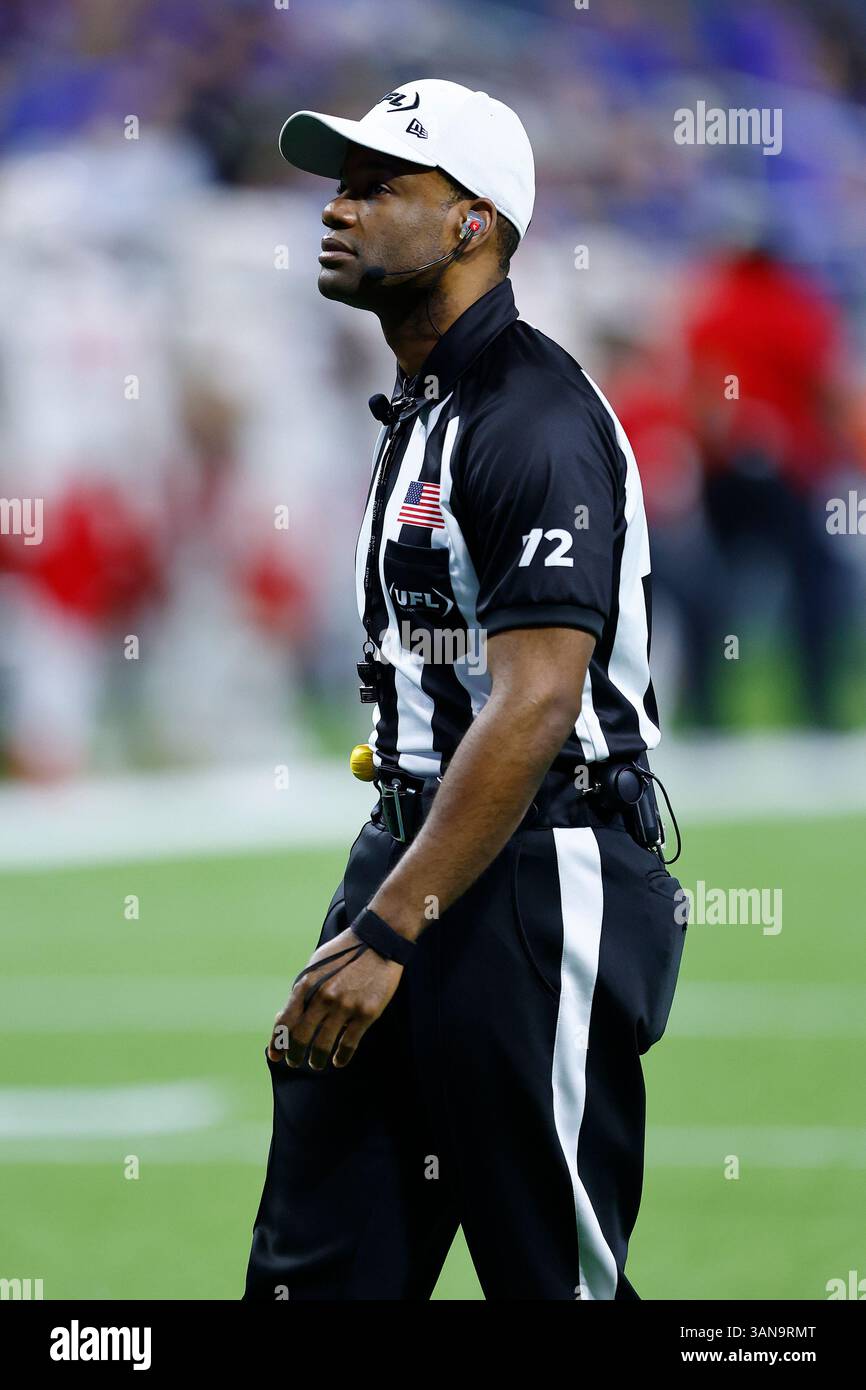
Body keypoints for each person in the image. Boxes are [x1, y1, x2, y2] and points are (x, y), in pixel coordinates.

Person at [244, 79, 686, 1302]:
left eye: (380, 184)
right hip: (416, 853)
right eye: (338, 181)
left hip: (532, 879)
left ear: (469, 223)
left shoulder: (528, 417)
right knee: (313, 1271)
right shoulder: (423, 402)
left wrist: (391, 927)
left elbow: (539, 701)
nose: (337, 207)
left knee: (555, 1281)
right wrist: (382, 903)